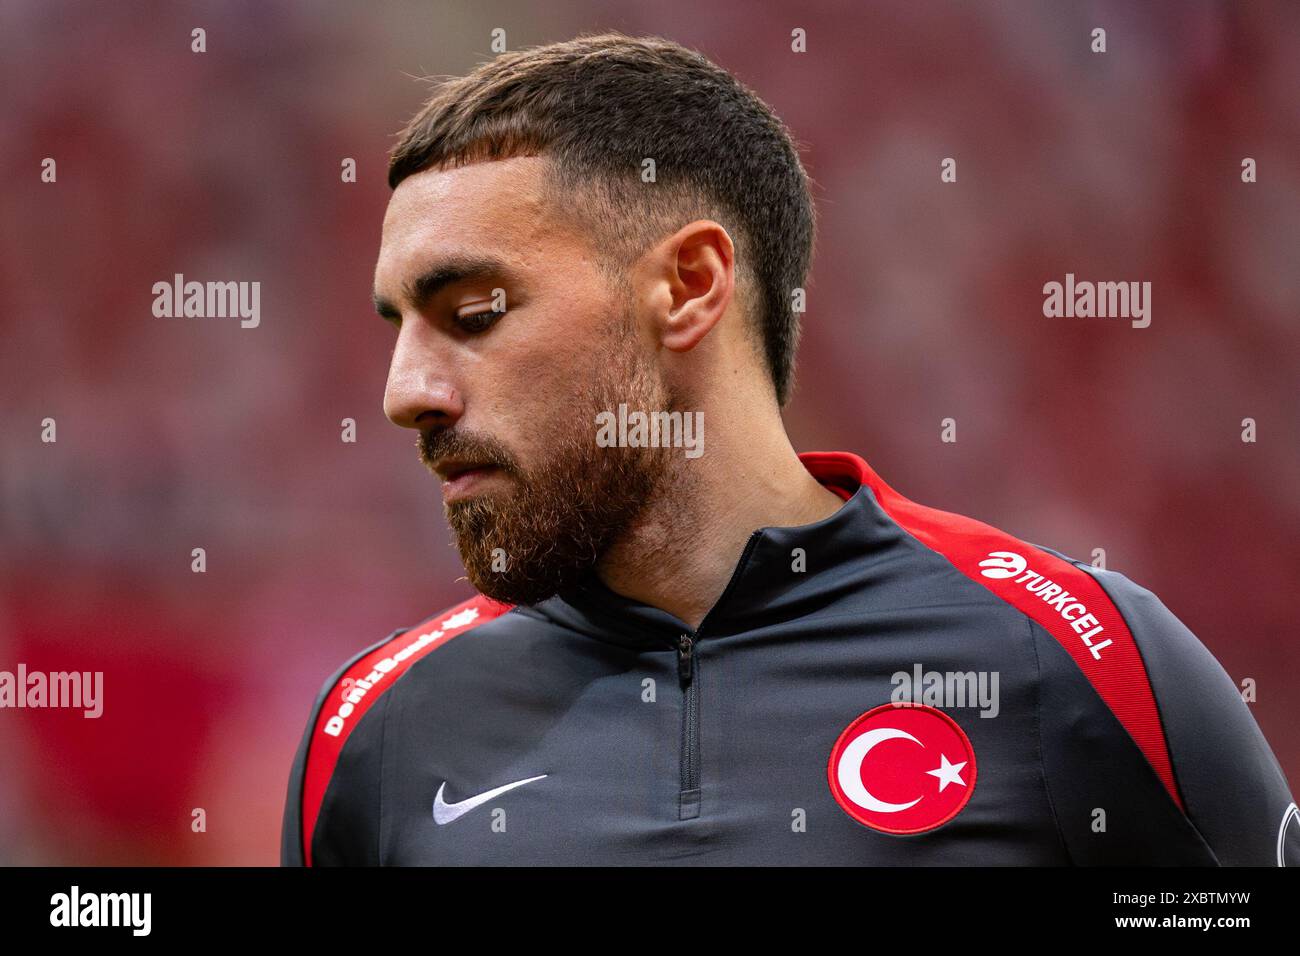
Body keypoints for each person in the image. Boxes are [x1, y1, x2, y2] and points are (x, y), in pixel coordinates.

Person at [281, 32, 1296, 866]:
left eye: (472, 311)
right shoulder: (375, 733)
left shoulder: (1080, 659)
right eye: (396, 325)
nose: (404, 393)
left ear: (686, 287)